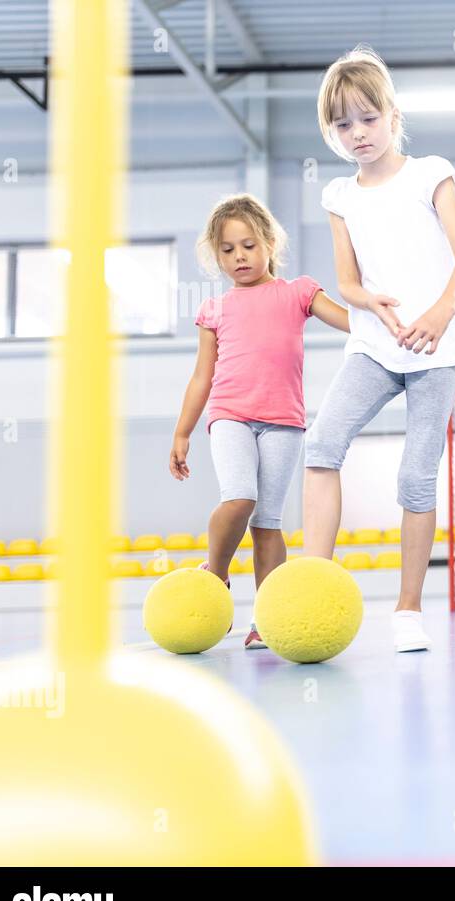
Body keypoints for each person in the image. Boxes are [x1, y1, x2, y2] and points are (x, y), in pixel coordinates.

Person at [304, 46, 455, 652]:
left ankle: (408, 610)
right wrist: (370, 303)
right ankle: (314, 581)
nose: (357, 134)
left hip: (438, 346)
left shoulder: (431, 173)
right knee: (322, 444)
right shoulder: (339, 196)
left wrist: (436, 314)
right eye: (343, 124)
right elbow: (347, 281)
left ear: (392, 114)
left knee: (415, 476)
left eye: (367, 119)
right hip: (375, 344)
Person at [170, 193, 349, 648]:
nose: (239, 257)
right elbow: (201, 377)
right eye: (227, 251)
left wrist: (386, 314)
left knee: (268, 521)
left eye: (248, 245)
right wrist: (182, 431)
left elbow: (350, 322)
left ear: (270, 242)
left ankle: (265, 621)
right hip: (229, 415)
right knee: (240, 495)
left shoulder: (299, 293)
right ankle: (218, 573)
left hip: (283, 422)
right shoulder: (215, 309)